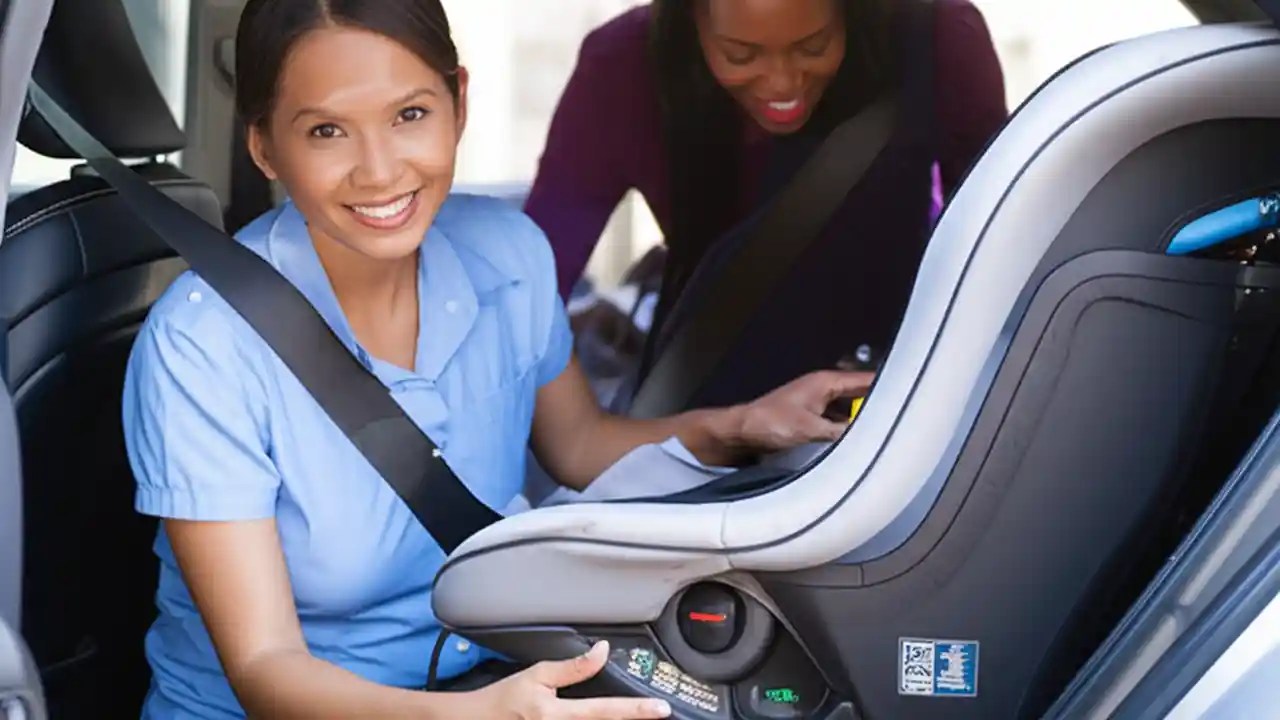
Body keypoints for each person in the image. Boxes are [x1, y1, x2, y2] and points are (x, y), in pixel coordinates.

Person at [121, 1, 874, 718]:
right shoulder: (202, 345)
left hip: (499, 673)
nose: (379, 170)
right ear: (265, 148)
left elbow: (580, 448)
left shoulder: (508, 256)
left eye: (410, 115)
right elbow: (265, 673)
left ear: (459, 102)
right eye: (326, 131)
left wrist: (747, 424)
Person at [525, 0, 1009, 413]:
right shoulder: (621, 66)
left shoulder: (937, 36)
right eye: (740, 54)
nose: (782, 85)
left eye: (813, 46)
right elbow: (528, 287)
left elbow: (1002, 253)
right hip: (705, 412)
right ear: (690, 18)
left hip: (891, 404)